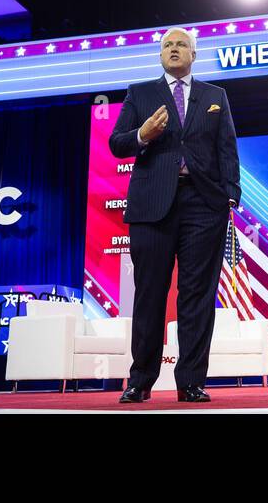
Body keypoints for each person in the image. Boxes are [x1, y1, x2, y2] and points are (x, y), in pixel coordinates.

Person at [109, 27, 240, 403]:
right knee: (150, 294)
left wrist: (230, 197)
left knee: (197, 295)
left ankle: (191, 381)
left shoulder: (216, 96)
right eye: (167, 45)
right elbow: (117, 143)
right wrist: (142, 135)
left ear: (194, 55)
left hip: (205, 205)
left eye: (181, 44)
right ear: (160, 55)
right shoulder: (140, 93)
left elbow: (226, 148)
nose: (174, 49)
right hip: (152, 206)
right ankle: (140, 381)